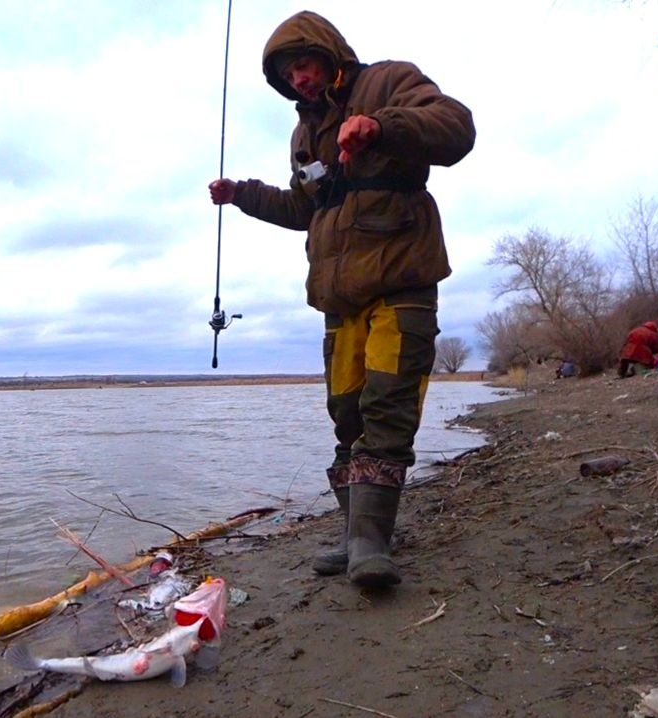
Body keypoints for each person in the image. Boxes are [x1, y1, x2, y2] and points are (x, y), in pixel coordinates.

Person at [208, 11, 474, 587]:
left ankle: (371, 545)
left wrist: (380, 125)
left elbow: (457, 129)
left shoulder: (387, 81)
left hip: (401, 278)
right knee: (347, 416)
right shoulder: (303, 134)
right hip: (338, 296)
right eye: (287, 74)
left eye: (303, 64)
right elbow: (305, 208)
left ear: (327, 53)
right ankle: (355, 535)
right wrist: (242, 196)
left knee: (387, 407)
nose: (299, 79)